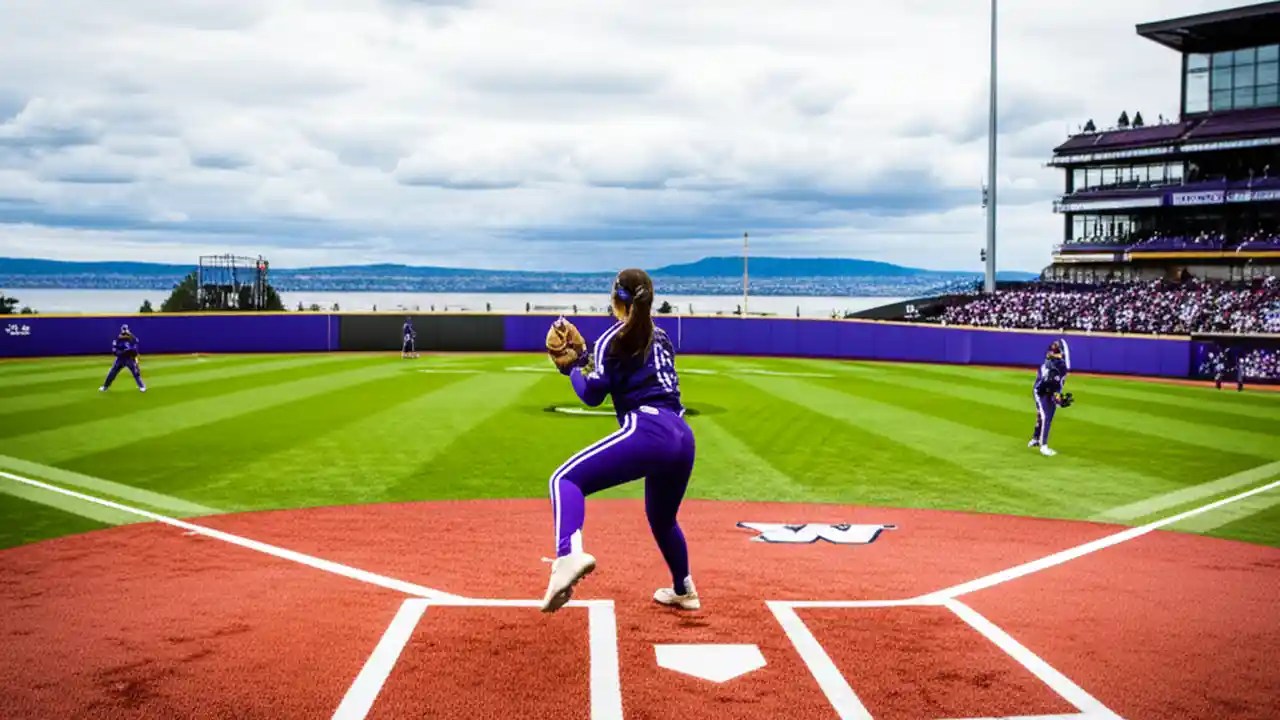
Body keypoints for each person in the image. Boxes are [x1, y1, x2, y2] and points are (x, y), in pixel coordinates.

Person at [539, 269, 698, 614]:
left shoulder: (615, 339)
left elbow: (593, 395)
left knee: (564, 479)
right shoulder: (662, 338)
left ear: (616, 300)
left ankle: (568, 554)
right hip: (683, 437)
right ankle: (683, 587)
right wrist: (585, 359)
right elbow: (621, 365)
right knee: (663, 519)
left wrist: (571, 371)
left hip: (649, 429)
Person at [1029, 339, 1070, 456]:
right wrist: (1056, 397)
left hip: (1047, 391)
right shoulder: (1055, 366)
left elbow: (1054, 385)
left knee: (1045, 416)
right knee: (1045, 416)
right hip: (1041, 392)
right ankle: (1043, 446)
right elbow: (1047, 385)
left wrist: (1057, 398)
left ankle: (1036, 438)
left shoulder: (1054, 365)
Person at [100, 324, 146, 393]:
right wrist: (121, 352)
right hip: (120, 359)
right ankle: (105, 386)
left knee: (136, 373)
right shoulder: (118, 339)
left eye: (126, 330)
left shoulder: (131, 338)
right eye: (124, 330)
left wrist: (131, 352)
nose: (124, 333)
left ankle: (142, 386)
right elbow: (114, 350)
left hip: (129, 358)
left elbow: (135, 345)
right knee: (112, 373)